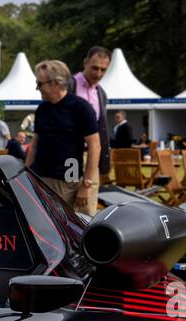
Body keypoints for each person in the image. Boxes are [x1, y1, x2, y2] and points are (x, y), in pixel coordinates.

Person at [25, 59, 99, 215]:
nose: (37, 88)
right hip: (40, 178)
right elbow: (35, 143)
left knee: (73, 229)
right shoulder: (42, 108)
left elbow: (95, 146)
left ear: (56, 83)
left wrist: (86, 186)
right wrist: (26, 173)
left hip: (68, 181)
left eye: (40, 83)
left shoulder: (81, 107)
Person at [69, 46, 110, 215]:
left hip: (92, 158)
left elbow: (101, 130)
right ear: (85, 63)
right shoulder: (68, 85)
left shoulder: (101, 93)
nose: (98, 73)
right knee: (66, 207)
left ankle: (83, 242)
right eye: (95, 67)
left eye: (103, 70)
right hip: (69, 157)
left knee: (88, 211)